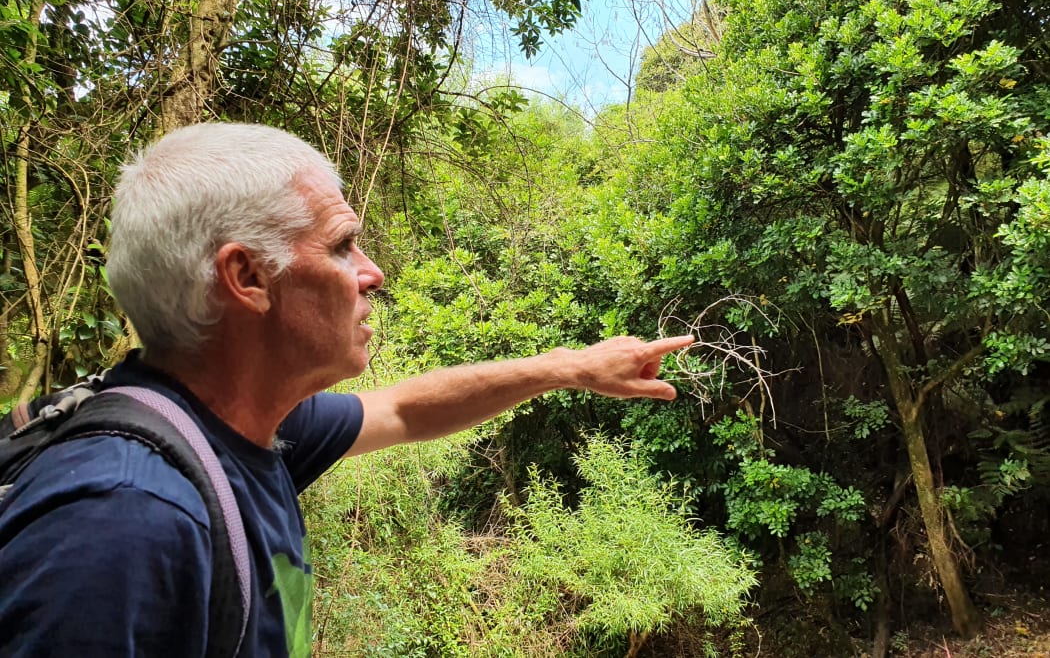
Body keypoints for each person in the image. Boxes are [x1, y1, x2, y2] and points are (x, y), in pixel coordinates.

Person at [0, 122, 693, 656]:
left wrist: (571, 368)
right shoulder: (124, 520)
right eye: (340, 246)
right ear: (247, 278)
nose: (373, 272)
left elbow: (403, 408)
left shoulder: (246, 428)